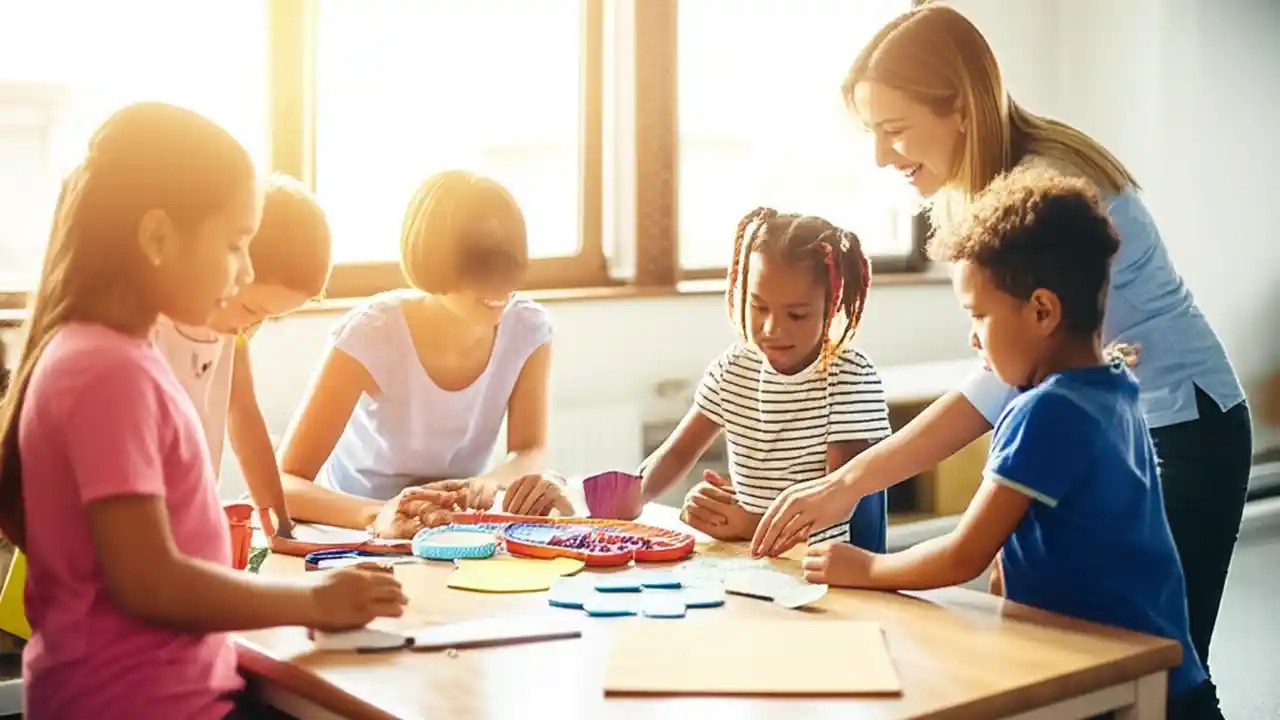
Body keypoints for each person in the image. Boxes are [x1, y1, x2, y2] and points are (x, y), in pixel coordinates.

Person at [754, 5, 1250, 683]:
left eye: (894, 130)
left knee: (1157, 668)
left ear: (960, 108)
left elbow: (992, 389)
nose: (880, 155)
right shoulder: (996, 192)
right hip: (1126, 422)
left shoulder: (1051, 197)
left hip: (1184, 426)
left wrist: (847, 488)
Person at [0, 102, 408, 719]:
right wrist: (314, 602)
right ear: (158, 237)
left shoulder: (102, 355)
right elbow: (151, 582)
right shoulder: (107, 370)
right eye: (235, 244)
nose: (244, 270)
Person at [802, 167, 1220, 718]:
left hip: (1121, 683)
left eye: (979, 315)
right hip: (1165, 672)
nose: (972, 336)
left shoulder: (1047, 411)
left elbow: (963, 554)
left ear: (1042, 311)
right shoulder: (1113, 387)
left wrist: (866, 569)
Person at [279, 170, 570, 538]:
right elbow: (284, 483)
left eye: (511, 259)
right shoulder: (371, 333)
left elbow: (530, 448)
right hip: (356, 533)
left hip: (451, 531)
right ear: (431, 257)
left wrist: (488, 483)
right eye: (482, 262)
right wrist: (377, 515)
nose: (502, 283)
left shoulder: (528, 329)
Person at [612, 208, 891, 551]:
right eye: (759, 307)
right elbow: (674, 454)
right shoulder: (734, 368)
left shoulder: (850, 377)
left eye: (797, 314)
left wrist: (747, 523)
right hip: (754, 559)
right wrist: (623, 506)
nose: (772, 329)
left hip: (826, 566)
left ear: (830, 306)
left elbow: (838, 501)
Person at [152, 173, 333, 539]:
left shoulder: (230, 332)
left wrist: (280, 525)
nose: (250, 327)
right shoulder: (153, 331)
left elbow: (244, 411)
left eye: (270, 317)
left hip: (184, 524)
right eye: (253, 308)